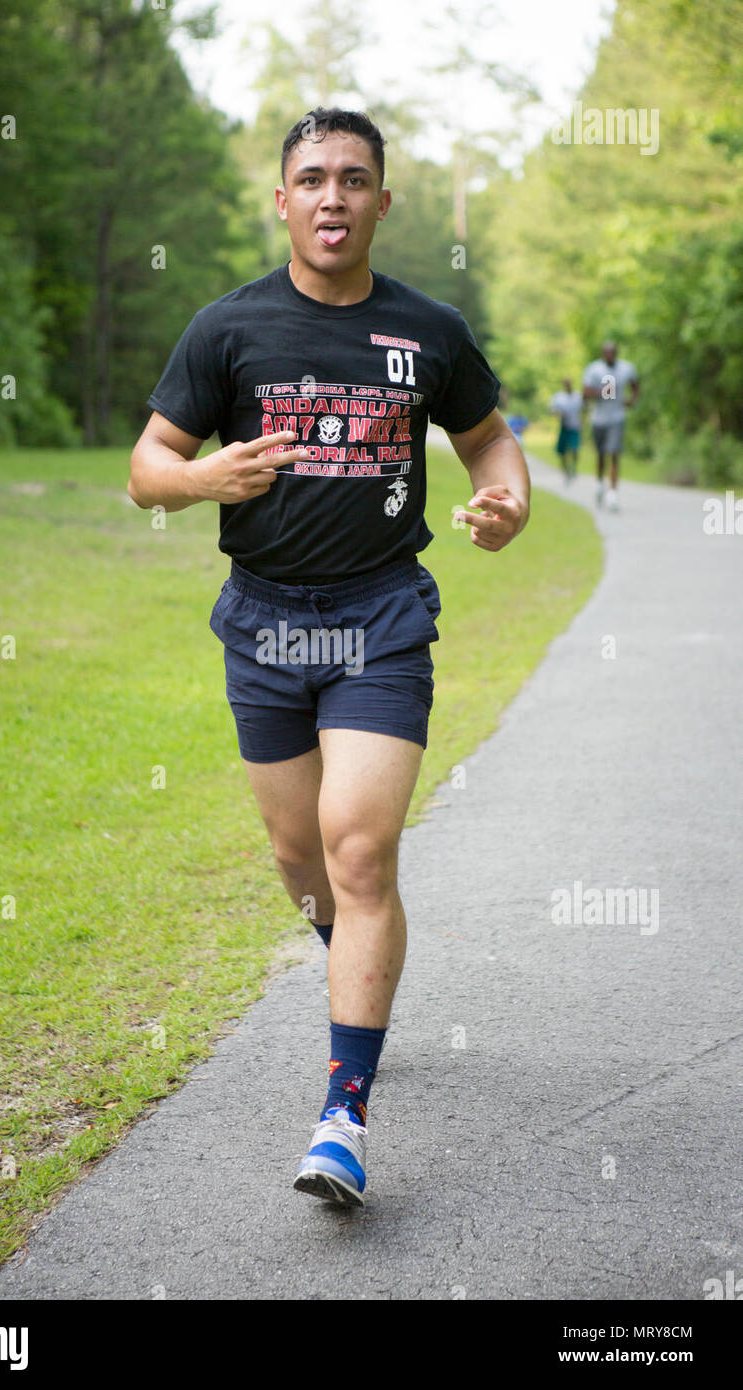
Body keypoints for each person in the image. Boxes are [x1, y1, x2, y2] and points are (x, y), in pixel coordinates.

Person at [128, 107, 530, 1207]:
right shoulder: (226, 329)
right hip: (262, 622)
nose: (332, 197)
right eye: (311, 178)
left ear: (381, 202)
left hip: (379, 616)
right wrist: (207, 479)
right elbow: (146, 464)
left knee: (359, 855)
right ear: (283, 201)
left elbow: (487, 434)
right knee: (299, 857)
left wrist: (509, 501)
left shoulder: (427, 330)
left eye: (353, 178)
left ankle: (342, 1114)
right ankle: (345, 948)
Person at [582, 341, 639, 510]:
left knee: (613, 453)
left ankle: (612, 494)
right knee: (600, 455)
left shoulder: (627, 368)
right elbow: (585, 393)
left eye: (613, 352)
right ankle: (600, 484)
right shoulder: (594, 369)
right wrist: (603, 392)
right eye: (607, 353)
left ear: (616, 353)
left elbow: (636, 386)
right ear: (602, 354)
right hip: (598, 419)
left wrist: (631, 400)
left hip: (617, 418)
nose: (610, 355)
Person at [548, 377, 582, 481]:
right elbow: (550, 410)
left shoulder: (578, 396)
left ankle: (573, 467)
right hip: (564, 427)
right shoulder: (559, 397)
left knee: (574, 448)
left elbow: (585, 408)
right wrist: (558, 413)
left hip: (575, 427)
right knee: (561, 451)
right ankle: (565, 471)